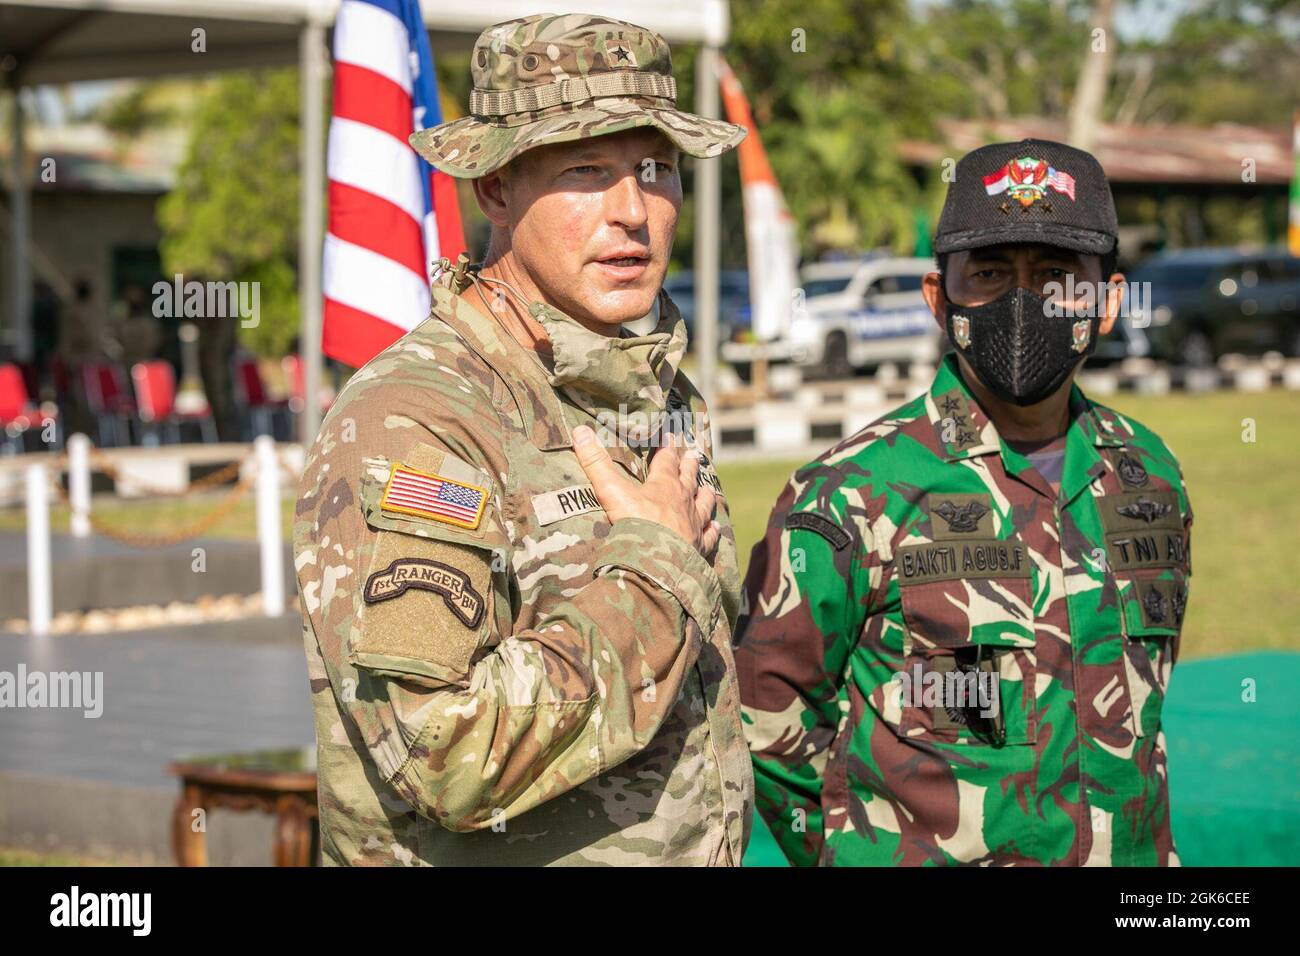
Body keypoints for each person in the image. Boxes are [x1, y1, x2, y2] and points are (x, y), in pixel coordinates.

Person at [295, 13, 753, 866]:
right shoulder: (418, 419)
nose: (634, 213)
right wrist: (653, 568)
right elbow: (447, 755)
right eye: (586, 170)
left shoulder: (645, 388)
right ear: (495, 189)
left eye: (656, 171)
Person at [735, 140, 1193, 866]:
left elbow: (1145, 703)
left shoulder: (1147, 476)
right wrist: (844, 852)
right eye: (988, 274)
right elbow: (767, 712)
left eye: (1054, 276)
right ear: (937, 299)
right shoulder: (852, 491)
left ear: (1106, 303)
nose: (1022, 302)